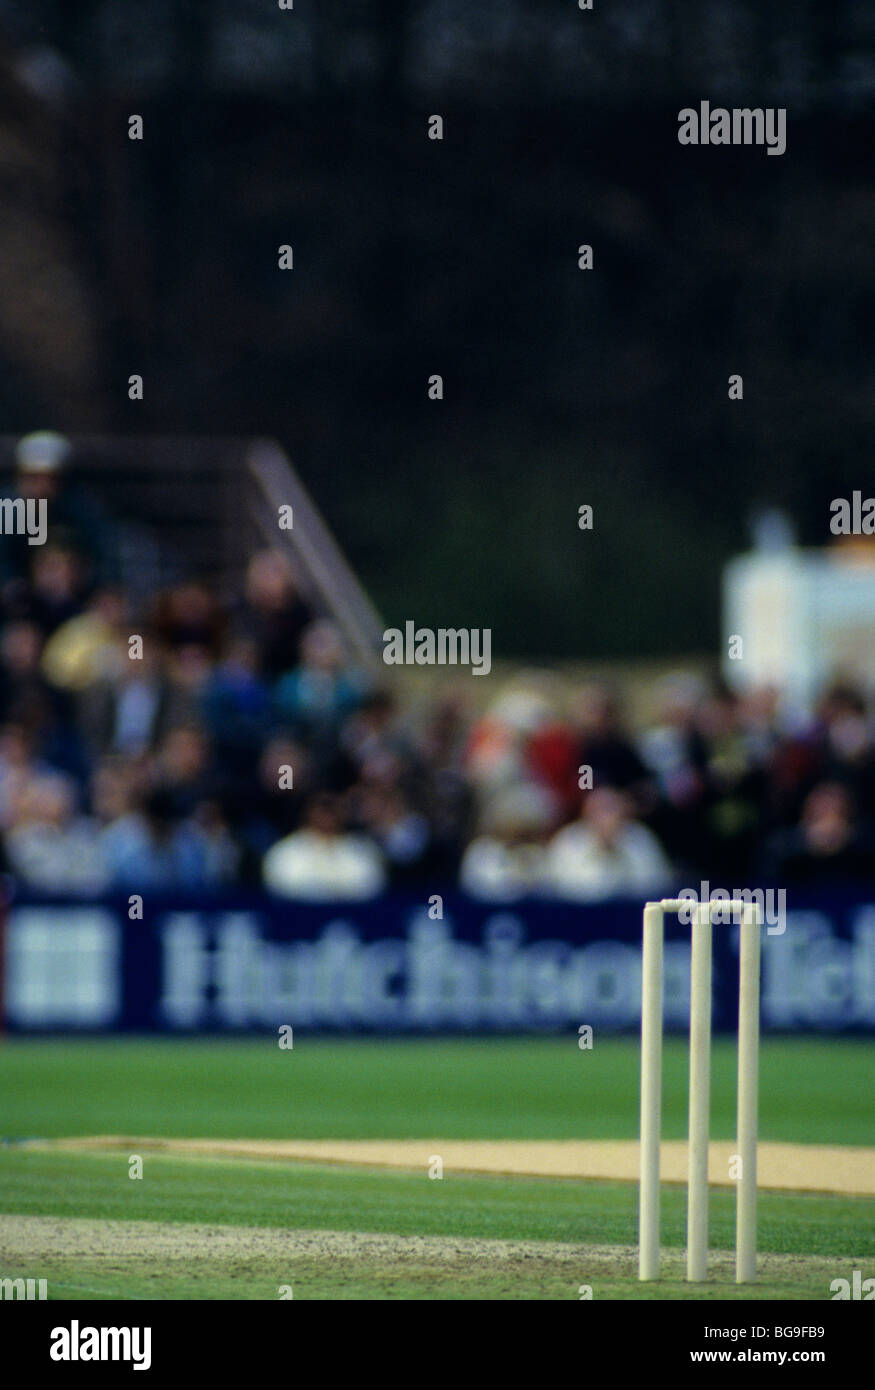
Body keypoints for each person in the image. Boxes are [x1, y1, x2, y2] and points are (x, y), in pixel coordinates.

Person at [545, 786, 672, 901]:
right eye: (599, 811)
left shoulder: (642, 841)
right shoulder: (566, 843)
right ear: (585, 814)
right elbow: (553, 892)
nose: (606, 819)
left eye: (611, 810)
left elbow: (658, 889)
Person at [263, 791, 385, 900]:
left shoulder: (362, 850)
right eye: (322, 809)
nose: (327, 816)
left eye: (332, 809)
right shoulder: (285, 851)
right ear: (308, 812)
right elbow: (280, 886)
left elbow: (371, 885)